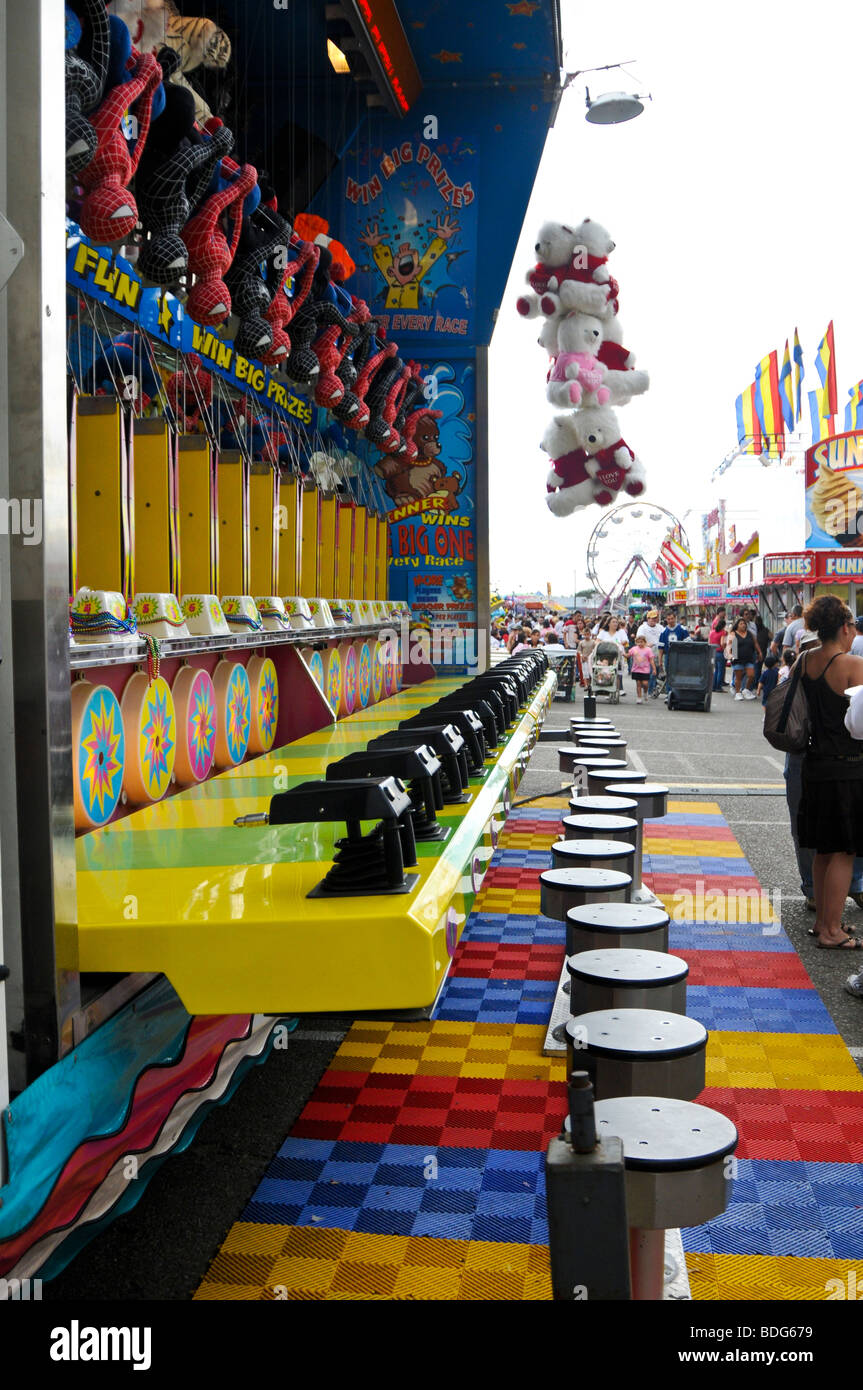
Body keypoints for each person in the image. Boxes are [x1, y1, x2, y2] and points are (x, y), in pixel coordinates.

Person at [796, 597, 863, 948]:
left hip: (814, 764)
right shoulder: (853, 664)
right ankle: (833, 930)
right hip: (847, 768)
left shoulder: (806, 659)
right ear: (845, 628)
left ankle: (823, 922)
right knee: (843, 851)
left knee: (824, 849)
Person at [636, 609, 663, 695]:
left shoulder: (660, 628)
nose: (653, 620)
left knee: (656, 673)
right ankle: (650, 690)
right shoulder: (642, 628)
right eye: (651, 618)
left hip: (658, 653)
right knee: (651, 672)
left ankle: (652, 687)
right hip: (646, 654)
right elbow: (638, 639)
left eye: (655, 618)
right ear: (648, 619)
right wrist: (646, 644)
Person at [629, 633, 655, 704]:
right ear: (636, 642)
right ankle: (639, 697)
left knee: (645, 683)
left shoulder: (648, 650)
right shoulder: (634, 649)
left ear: (645, 642)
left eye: (642, 642)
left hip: (645, 670)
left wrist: (654, 669)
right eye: (638, 642)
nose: (640, 644)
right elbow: (628, 655)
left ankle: (645, 692)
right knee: (638, 683)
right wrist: (621, 652)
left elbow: (651, 660)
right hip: (636, 669)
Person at [709, 617, 727, 690]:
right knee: (720, 670)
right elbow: (722, 643)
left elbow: (709, 642)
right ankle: (718, 687)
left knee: (715, 670)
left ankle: (713, 686)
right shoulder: (722, 632)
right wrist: (725, 647)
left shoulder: (712, 632)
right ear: (723, 626)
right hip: (719, 652)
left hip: (713, 652)